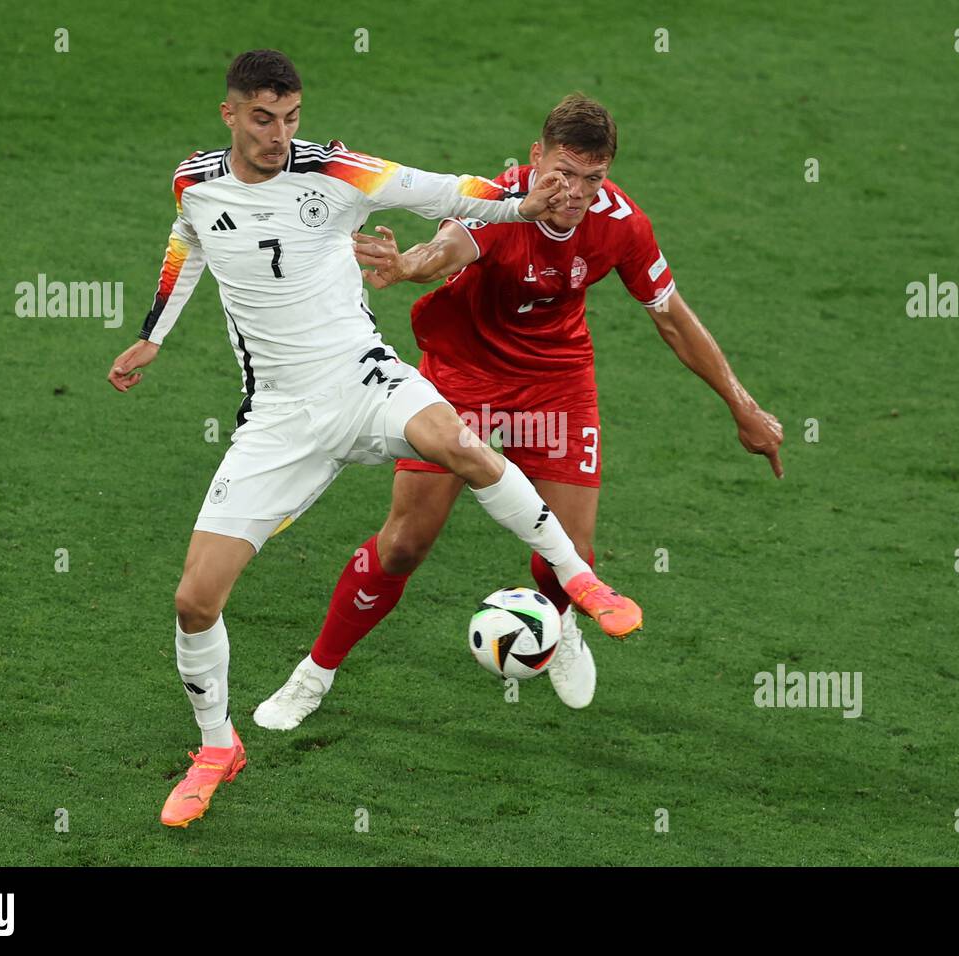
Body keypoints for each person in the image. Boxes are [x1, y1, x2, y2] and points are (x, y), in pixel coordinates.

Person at [107, 54, 642, 828]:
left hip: (365, 382)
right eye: (262, 119)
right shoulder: (195, 182)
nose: (278, 135)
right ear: (230, 115)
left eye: (290, 118)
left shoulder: (337, 172)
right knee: (194, 600)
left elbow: (447, 193)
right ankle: (216, 748)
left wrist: (527, 204)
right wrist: (152, 335)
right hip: (279, 420)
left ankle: (581, 584)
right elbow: (185, 240)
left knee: (464, 446)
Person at [255, 94, 782, 729]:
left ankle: (558, 624)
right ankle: (314, 674)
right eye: (563, 172)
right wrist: (405, 266)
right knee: (404, 545)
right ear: (536, 159)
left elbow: (670, 315)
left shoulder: (622, 224)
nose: (575, 192)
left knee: (573, 552)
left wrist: (742, 405)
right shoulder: (500, 202)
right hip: (464, 379)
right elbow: (445, 250)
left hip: (555, 382)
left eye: (593, 177)